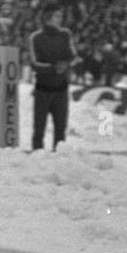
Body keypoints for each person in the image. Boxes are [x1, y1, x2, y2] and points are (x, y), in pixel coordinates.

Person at [29, 9, 77, 152]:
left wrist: (66, 64)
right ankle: (37, 155)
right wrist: (54, 68)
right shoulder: (36, 37)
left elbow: (74, 56)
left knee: (61, 128)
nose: (61, 18)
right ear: (48, 18)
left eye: (61, 15)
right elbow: (34, 63)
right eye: (57, 15)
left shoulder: (66, 34)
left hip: (61, 89)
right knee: (39, 128)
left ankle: (59, 155)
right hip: (42, 89)